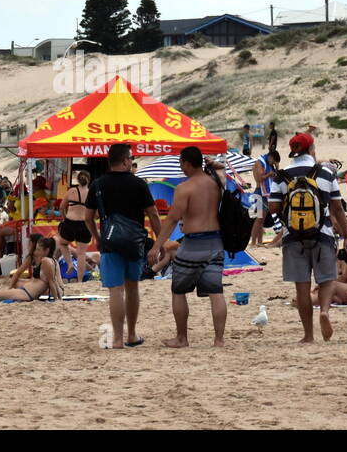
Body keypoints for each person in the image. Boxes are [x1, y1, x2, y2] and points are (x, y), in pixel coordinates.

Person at [268, 132, 347, 344]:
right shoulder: (325, 172)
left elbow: (273, 207)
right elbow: (337, 207)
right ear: (312, 149)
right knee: (326, 280)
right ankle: (324, 311)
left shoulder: (282, 174)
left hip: (292, 237)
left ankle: (308, 335)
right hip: (322, 234)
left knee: (302, 287)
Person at [148, 146, 227, 348]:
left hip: (193, 244)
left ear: (186, 163)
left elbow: (172, 219)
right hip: (216, 241)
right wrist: (215, 166)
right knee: (216, 292)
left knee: (178, 289)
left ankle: (182, 338)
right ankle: (219, 339)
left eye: (181, 163)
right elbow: (222, 172)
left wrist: (157, 246)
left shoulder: (185, 188)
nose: (180, 167)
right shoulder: (217, 182)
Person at [85, 143, 161, 349]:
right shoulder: (138, 184)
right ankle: (132, 335)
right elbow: (153, 213)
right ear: (125, 160)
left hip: (110, 243)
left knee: (115, 291)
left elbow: (88, 218)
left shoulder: (98, 185)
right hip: (134, 243)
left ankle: (117, 339)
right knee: (132, 288)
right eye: (132, 158)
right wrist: (159, 241)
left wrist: (98, 238)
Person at [56, 171, 95, 282]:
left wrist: (64, 218)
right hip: (84, 223)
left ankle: (69, 264)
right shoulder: (91, 193)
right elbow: (95, 212)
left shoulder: (72, 191)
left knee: (63, 244)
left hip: (71, 221)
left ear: (77, 180)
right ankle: (79, 280)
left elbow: (61, 207)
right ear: (89, 180)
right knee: (81, 254)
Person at [248, 149, 281, 247]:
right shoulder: (260, 162)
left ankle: (260, 242)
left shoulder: (269, 165)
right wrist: (269, 174)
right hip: (259, 193)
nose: (272, 164)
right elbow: (259, 178)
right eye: (273, 161)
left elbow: (277, 177)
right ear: (270, 157)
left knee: (262, 220)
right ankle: (253, 243)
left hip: (266, 194)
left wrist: (276, 167)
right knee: (258, 219)